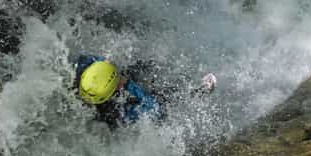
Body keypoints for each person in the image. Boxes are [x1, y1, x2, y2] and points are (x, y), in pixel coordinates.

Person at [74, 54, 216, 128]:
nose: (119, 79)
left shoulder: (84, 68)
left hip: (100, 93)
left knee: (142, 66)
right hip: (130, 112)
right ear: (110, 94)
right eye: (117, 82)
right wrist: (128, 84)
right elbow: (153, 108)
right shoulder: (117, 113)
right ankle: (198, 91)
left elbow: (94, 60)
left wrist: (107, 67)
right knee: (161, 98)